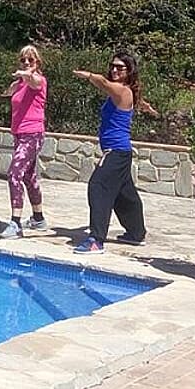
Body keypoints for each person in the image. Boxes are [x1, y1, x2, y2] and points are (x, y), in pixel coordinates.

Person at [71, 51, 158, 254]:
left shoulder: (121, 91)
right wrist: (147, 107)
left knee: (98, 186)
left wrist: (88, 75)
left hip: (116, 151)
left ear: (129, 71)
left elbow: (103, 82)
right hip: (121, 152)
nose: (115, 69)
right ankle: (136, 234)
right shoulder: (127, 92)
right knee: (124, 194)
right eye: (113, 66)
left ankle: (96, 240)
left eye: (120, 67)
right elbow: (137, 100)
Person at [0, 45, 48, 239]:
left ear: (38, 63)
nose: (27, 63)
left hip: (32, 134)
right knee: (28, 176)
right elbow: (8, 93)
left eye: (31, 60)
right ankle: (38, 218)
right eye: (23, 60)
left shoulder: (39, 81)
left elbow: (34, 80)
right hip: (19, 135)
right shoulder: (19, 84)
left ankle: (15, 223)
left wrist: (25, 74)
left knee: (14, 174)